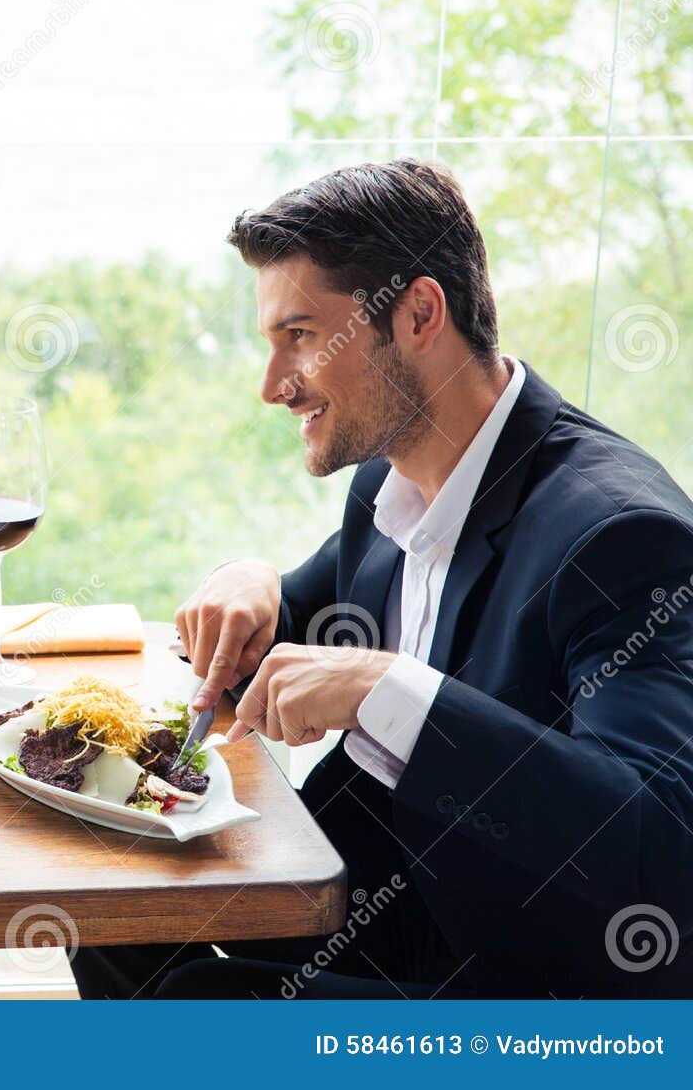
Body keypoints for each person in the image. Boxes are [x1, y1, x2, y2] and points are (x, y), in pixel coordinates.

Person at [72, 158, 693, 999]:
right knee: (104, 898)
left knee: (195, 1002)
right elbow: (303, 619)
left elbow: (662, 847)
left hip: (534, 996)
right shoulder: (393, 478)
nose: (272, 386)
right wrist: (250, 582)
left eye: (301, 335)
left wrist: (389, 689)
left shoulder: (620, 536)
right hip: (384, 915)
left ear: (419, 314)